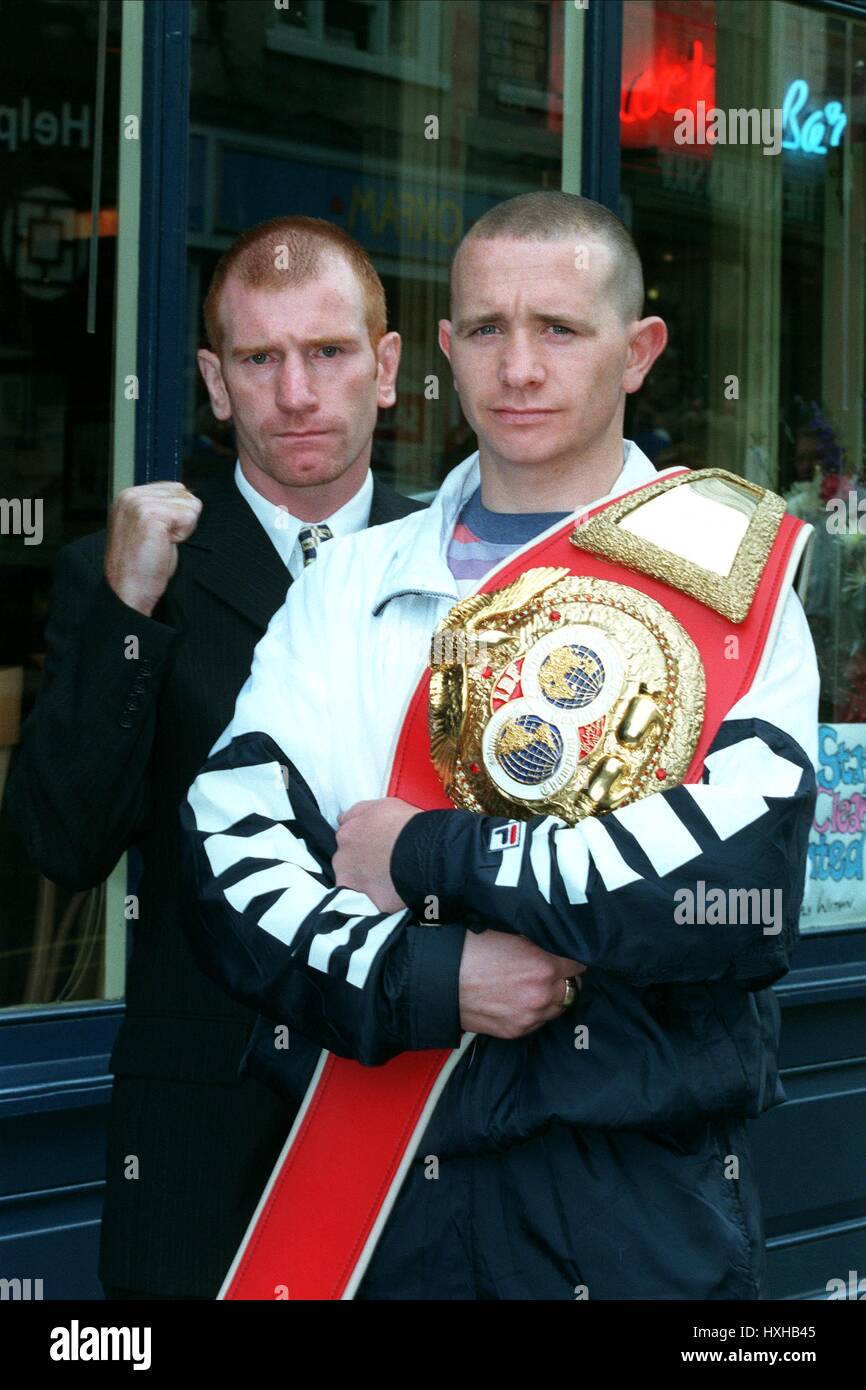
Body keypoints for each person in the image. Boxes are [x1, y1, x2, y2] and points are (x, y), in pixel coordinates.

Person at [182, 191, 819, 1300]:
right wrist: (436, 977)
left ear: (638, 351)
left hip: (633, 1200)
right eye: (485, 329)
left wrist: (425, 854)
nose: (517, 368)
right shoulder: (350, 580)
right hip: (378, 1198)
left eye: (558, 329)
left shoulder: (735, 579)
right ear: (443, 348)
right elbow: (230, 864)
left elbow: (735, 893)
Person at [6, 214, 427, 1300]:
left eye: (328, 352)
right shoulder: (132, 575)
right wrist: (128, 610)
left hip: (425, 1102)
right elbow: (60, 843)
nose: (297, 392)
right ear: (214, 382)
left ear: (385, 368)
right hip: (201, 1134)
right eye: (259, 359)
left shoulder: (464, 566)